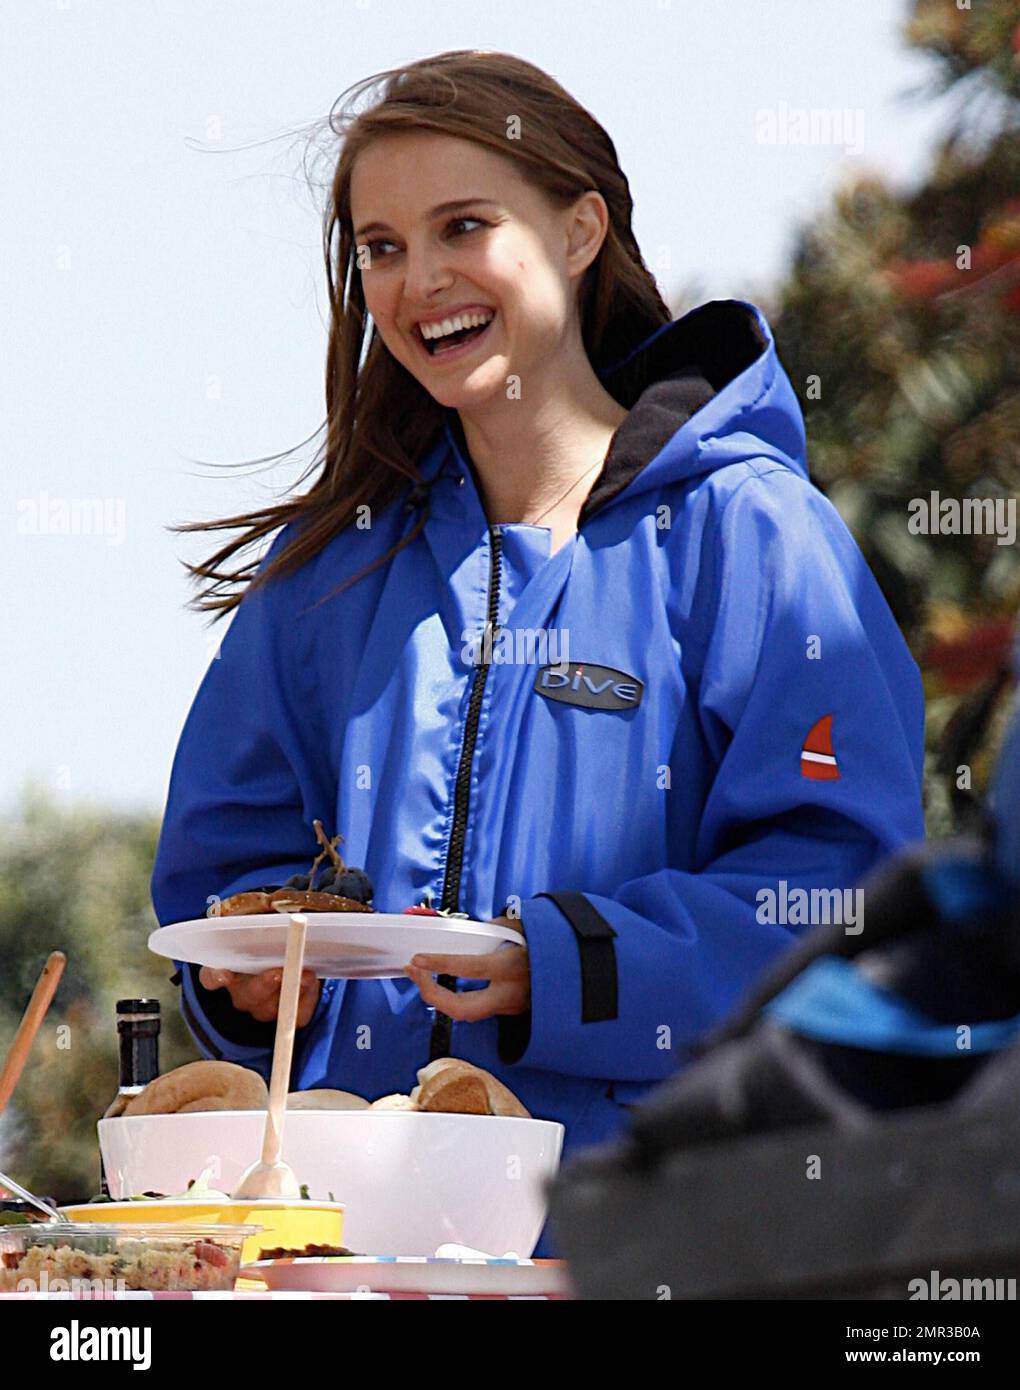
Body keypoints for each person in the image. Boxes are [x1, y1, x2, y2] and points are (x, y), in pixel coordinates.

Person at [150, 50, 925, 1256]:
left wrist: (555, 967)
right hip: (342, 1255)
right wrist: (249, 980)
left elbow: (845, 901)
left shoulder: (750, 535)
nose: (417, 282)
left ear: (578, 230)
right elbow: (222, 878)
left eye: (465, 226)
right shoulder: (325, 576)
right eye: (381, 247)